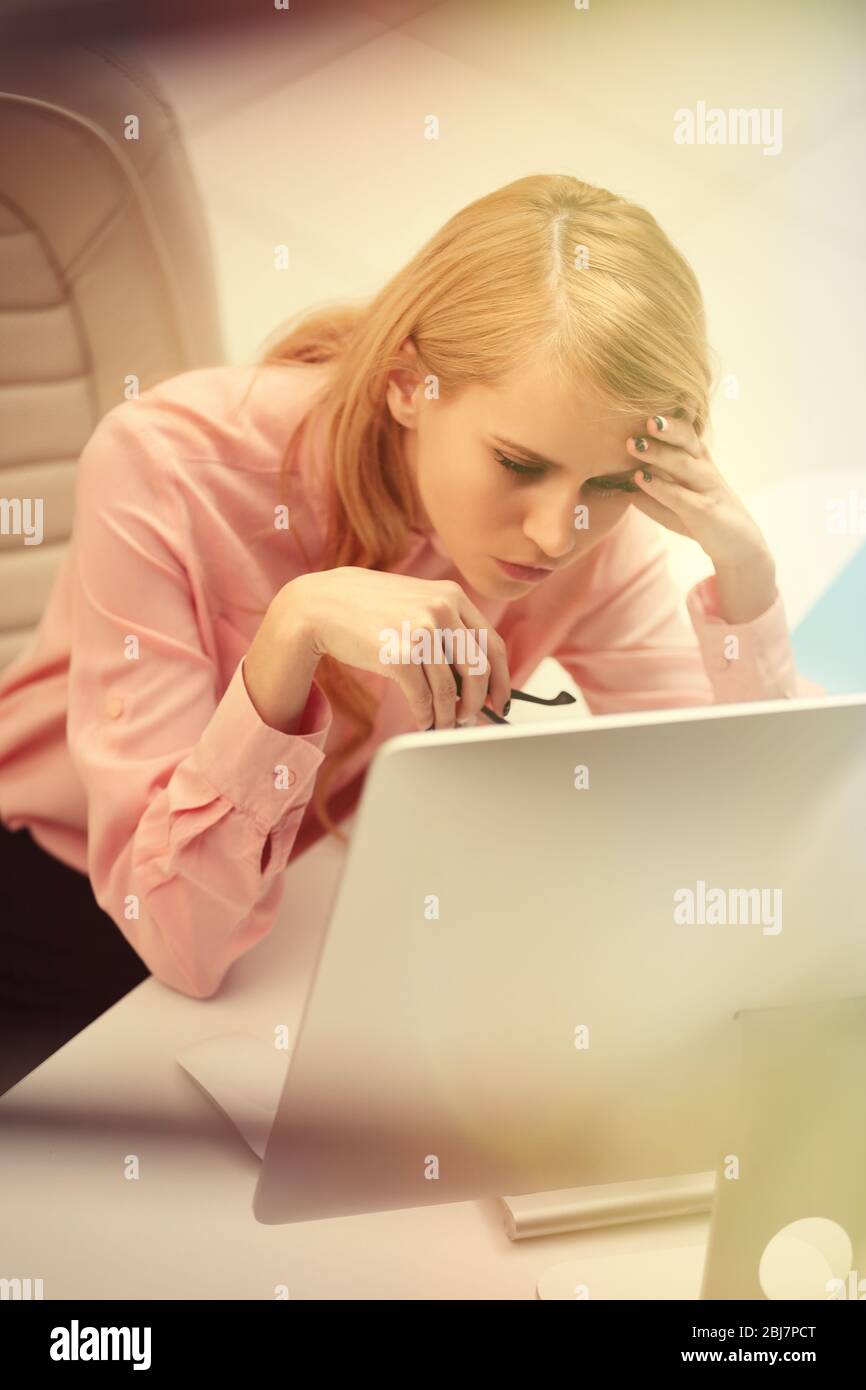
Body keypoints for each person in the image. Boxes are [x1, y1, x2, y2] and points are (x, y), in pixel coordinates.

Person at [0, 173, 824, 1093]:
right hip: (71, 896)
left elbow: (753, 829)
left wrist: (747, 586)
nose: (559, 535)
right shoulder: (162, 465)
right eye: (519, 463)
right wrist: (292, 636)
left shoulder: (593, 536)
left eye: (608, 484)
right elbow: (179, 940)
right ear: (405, 387)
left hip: (319, 891)